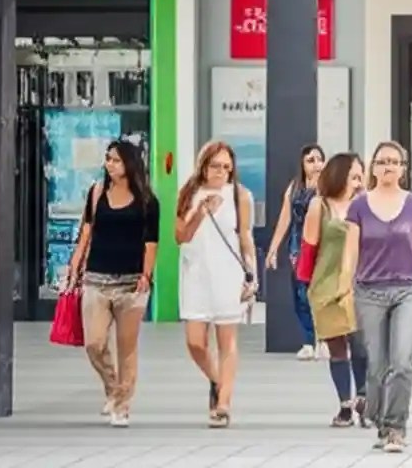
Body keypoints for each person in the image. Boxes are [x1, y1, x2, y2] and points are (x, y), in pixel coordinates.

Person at [345, 140, 412, 453]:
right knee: (376, 364)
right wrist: (345, 288)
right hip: (369, 290)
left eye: (394, 161)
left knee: (402, 360)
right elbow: (351, 251)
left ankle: (395, 428)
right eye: (382, 161)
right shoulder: (359, 206)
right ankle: (378, 416)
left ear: (403, 168)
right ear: (372, 167)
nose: (388, 166)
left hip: (408, 289)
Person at [66, 139, 160, 428]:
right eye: (108, 159)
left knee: (127, 348)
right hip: (96, 279)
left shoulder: (148, 200)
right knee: (94, 342)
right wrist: (74, 266)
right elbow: (87, 232)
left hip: (132, 283)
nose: (110, 164)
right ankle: (113, 387)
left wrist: (147, 274)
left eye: (116, 160)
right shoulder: (97, 194)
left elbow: (151, 242)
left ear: (130, 164)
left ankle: (122, 406)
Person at [175, 141, 257, 428]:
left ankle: (223, 402)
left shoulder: (240, 195)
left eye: (226, 166)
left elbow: (245, 236)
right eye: (215, 166)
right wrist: (200, 211)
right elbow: (180, 236)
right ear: (203, 166)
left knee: (227, 341)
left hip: (228, 274)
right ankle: (216, 380)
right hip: (196, 274)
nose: (221, 171)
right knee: (195, 342)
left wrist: (252, 274)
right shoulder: (189, 193)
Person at [300, 152, 370, 427]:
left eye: (360, 176)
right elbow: (309, 246)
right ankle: (345, 405)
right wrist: (306, 284)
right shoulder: (320, 206)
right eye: (354, 175)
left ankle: (364, 398)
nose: (358, 181)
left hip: (358, 284)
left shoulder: (364, 204)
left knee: (361, 344)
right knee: (337, 347)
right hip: (327, 284)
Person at [264, 143, 326, 360]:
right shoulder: (295, 187)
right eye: (311, 160)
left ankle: (324, 339)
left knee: (321, 294)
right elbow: (285, 218)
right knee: (301, 295)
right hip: (297, 248)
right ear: (302, 164)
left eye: (319, 159)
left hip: (322, 247)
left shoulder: (327, 187)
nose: (316, 164)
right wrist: (273, 249)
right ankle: (309, 340)